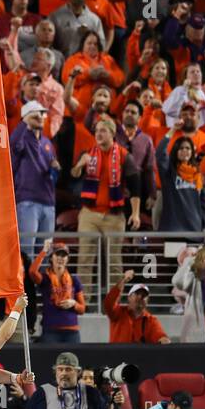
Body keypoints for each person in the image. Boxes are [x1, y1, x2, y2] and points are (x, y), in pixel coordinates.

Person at [71, 116, 141, 301]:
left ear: (112, 134)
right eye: (96, 131)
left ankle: (114, 301)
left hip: (114, 216)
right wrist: (80, 164)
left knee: (114, 262)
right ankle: (83, 300)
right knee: (85, 258)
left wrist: (135, 213)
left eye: (103, 130)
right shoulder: (87, 153)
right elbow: (74, 175)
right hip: (89, 215)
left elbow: (136, 185)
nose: (98, 134)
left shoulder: (125, 156)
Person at [10, 99, 59, 254]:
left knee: (45, 252)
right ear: (26, 117)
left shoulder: (47, 143)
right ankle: (26, 279)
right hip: (27, 201)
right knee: (26, 250)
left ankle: (41, 279)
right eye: (36, 115)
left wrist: (54, 170)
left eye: (42, 114)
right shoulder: (21, 139)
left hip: (48, 202)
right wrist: (25, 123)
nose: (41, 117)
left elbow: (54, 176)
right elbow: (13, 145)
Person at [29, 241, 85, 342]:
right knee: (48, 358)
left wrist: (74, 303)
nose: (60, 258)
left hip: (72, 331)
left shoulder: (74, 279)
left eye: (63, 255)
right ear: (51, 257)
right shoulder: (45, 279)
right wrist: (44, 251)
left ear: (67, 259)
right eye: (57, 254)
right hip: (51, 330)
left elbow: (82, 309)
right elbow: (32, 272)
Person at [103, 269, 170, 343]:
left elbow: (160, 335)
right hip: (117, 354)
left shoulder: (151, 320)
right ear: (129, 297)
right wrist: (124, 280)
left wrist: (164, 340)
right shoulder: (118, 312)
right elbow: (109, 301)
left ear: (148, 300)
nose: (140, 297)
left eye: (144, 295)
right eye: (137, 294)